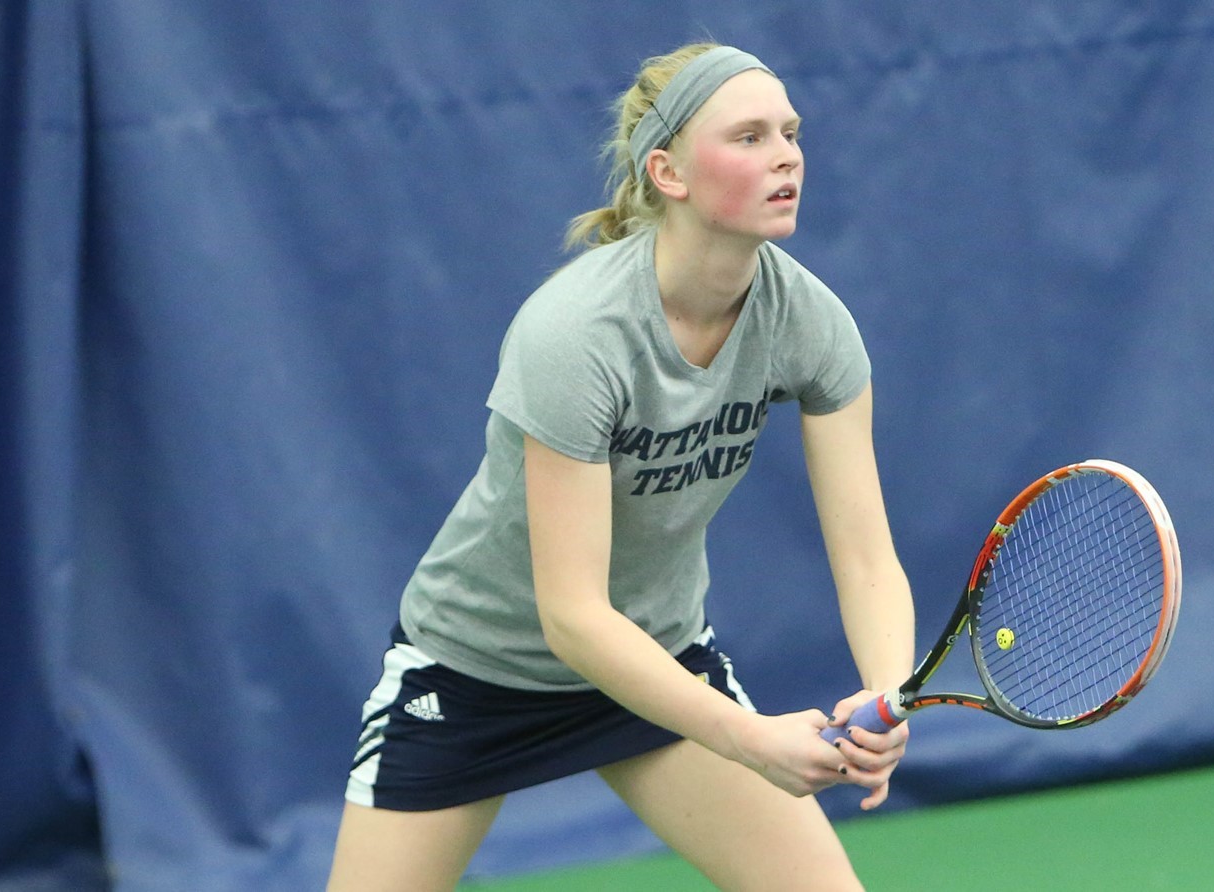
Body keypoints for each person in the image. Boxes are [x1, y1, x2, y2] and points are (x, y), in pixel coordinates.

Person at [326, 41, 916, 892]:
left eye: (789, 132)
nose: (786, 153)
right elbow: (572, 616)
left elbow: (866, 558)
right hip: (475, 671)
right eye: (748, 136)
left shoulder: (812, 325)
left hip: (659, 661)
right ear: (667, 172)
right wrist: (751, 739)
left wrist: (886, 697)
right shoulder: (577, 334)